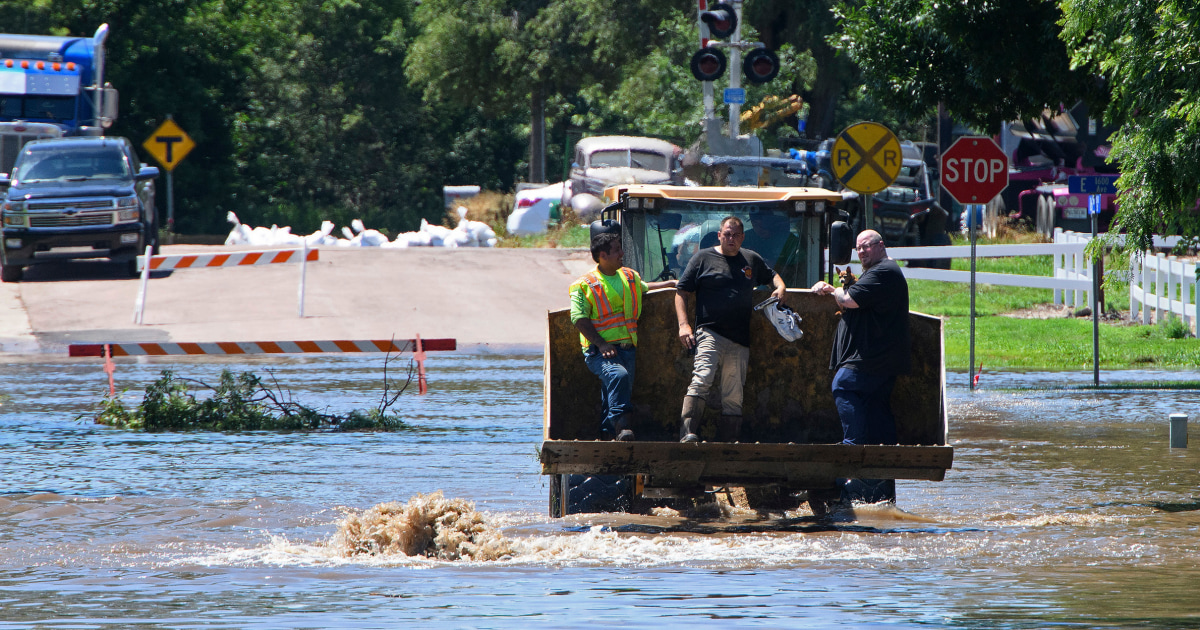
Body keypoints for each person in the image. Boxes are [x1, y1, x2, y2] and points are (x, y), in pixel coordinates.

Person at [675, 216, 786, 443]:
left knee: (734, 394)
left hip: (740, 337)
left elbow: (772, 275)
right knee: (702, 378)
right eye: (727, 234)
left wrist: (781, 287)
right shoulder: (702, 258)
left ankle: (729, 445)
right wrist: (683, 325)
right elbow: (681, 292)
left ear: (743, 237)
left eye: (736, 235)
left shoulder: (750, 259)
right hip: (709, 332)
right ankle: (687, 434)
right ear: (719, 235)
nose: (731, 238)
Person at [570, 231, 676, 441]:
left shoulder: (629, 276)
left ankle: (607, 435)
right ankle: (622, 428)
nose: (622, 253)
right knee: (618, 376)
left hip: (628, 349)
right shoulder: (583, 284)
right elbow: (579, 318)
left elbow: (644, 287)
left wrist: (669, 284)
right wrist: (601, 344)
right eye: (617, 249)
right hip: (599, 351)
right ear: (603, 256)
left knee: (616, 389)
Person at [810, 229, 910, 446]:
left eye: (867, 246)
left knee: (844, 385)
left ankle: (853, 446)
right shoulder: (878, 271)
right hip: (879, 355)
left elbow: (849, 300)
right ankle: (881, 462)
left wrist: (833, 290)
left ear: (881, 246)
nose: (862, 251)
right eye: (858, 248)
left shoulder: (883, 270)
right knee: (875, 404)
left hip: (872, 355)